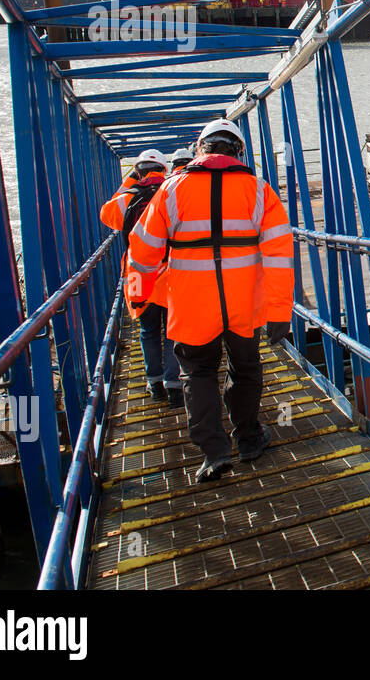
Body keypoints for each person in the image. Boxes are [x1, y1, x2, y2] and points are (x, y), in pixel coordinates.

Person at [126, 119, 294, 483]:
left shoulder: (171, 191)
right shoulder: (260, 191)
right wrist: (280, 312)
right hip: (242, 307)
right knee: (245, 370)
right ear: (238, 152)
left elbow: (142, 251)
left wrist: (138, 298)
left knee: (198, 374)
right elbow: (280, 256)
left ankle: (214, 454)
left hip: (190, 306)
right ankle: (249, 439)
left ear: (200, 149)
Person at [101, 149, 181, 404]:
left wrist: (129, 183)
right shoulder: (173, 191)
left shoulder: (128, 198)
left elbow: (106, 215)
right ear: (163, 170)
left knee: (148, 331)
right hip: (172, 272)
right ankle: (174, 384)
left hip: (138, 275)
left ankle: (154, 383)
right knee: (172, 331)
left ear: (138, 171)